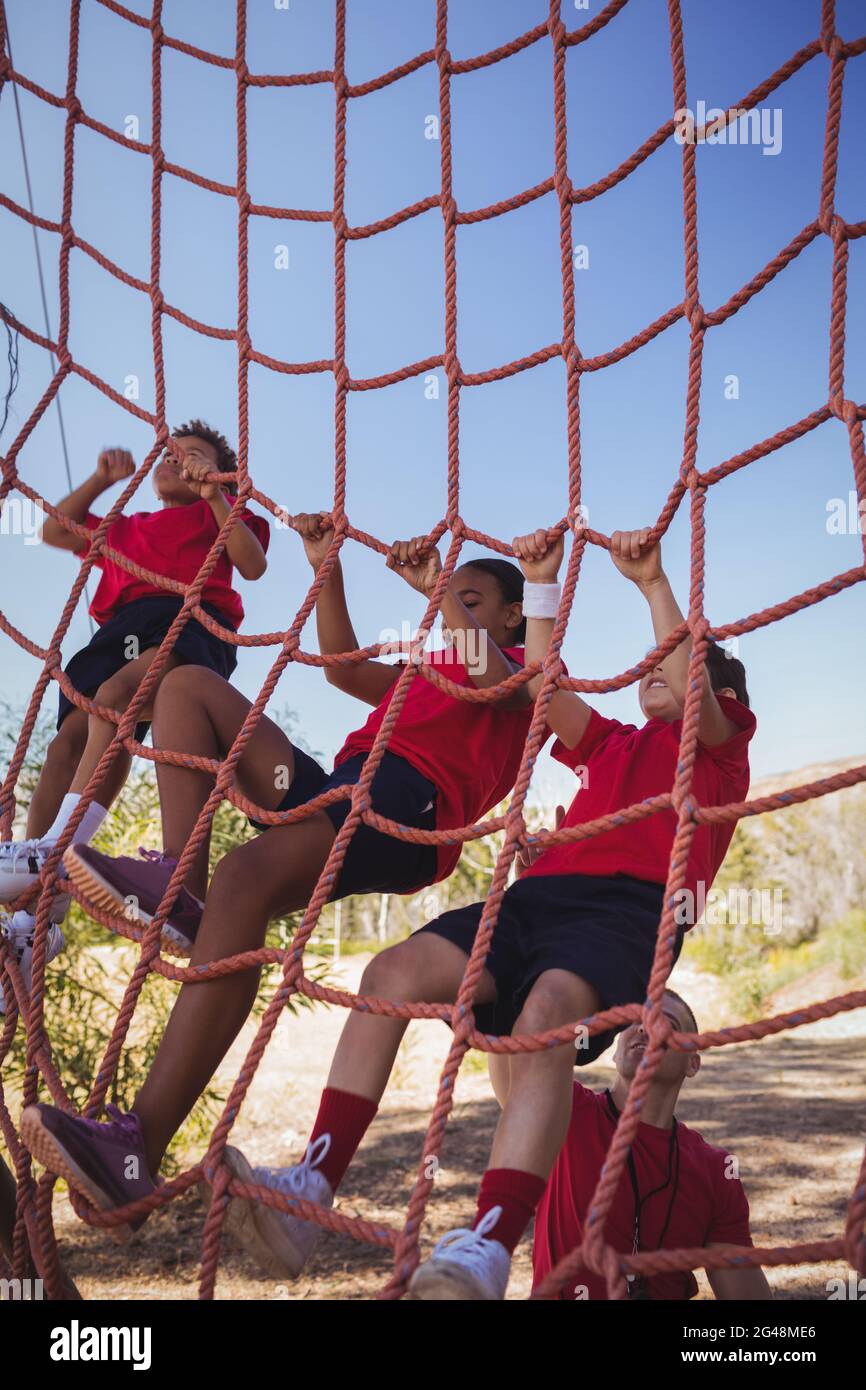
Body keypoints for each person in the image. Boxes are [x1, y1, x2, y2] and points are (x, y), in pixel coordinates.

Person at [96, 522, 754, 1300]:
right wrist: (539, 581)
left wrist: (649, 586)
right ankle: (314, 1185)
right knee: (392, 970)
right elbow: (540, 677)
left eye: (679, 669)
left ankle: (487, 1242)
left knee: (546, 1015)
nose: (653, 670)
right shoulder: (609, 741)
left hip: (626, 912)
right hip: (528, 894)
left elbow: (526, 675)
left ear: (724, 695)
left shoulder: (719, 752)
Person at [21, 518, 548, 1229]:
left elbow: (497, 681)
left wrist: (435, 593)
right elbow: (339, 668)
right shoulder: (423, 674)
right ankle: (182, 884)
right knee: (184, 687)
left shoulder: (525, 674)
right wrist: (323, 565)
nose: (451, 610)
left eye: (472, 599)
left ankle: (138, 1143)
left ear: (512, 615)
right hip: (345, 786)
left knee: (248, 878)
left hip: (407, 807)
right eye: (450, 601)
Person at [0, 423, 269, 1012]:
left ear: (218, 473)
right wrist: (101, 479)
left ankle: (58, 848)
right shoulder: (125, 528)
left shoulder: (219, 514)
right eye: (171, 456)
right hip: (116, 632)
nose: (180, 463)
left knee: (121, 695)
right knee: (67, 741)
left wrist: (216, 494)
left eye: (193, 457)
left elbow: (253, 566)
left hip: (185, 618)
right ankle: (36, 916)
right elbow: (52, 530)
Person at [498, 988, 772, 1300]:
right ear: (614, 1053)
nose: (644, 1027)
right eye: (632, 1020)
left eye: (666, 1022)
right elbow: (510, 1059)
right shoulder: (567, 1111)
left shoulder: (715, 1171)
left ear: (692, 1064)